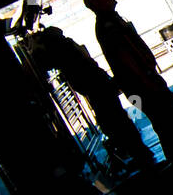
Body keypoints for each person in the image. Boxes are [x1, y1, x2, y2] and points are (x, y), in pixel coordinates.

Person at [84, 0, 173, 177]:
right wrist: (147, 81)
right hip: (143, 85)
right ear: (96, 4)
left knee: (170, 123)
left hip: (142, 84)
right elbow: (125, 57)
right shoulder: (107, 25)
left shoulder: (111, 19)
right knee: (169, 123)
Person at [26, 25, 155, 171]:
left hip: (97, 89)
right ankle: (141, 155)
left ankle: (142, 157)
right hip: (99, 86)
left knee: (115, 124)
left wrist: (32, 50)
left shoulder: (60, 48)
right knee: (118, 122)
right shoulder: (66, 44)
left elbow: (44, 63)